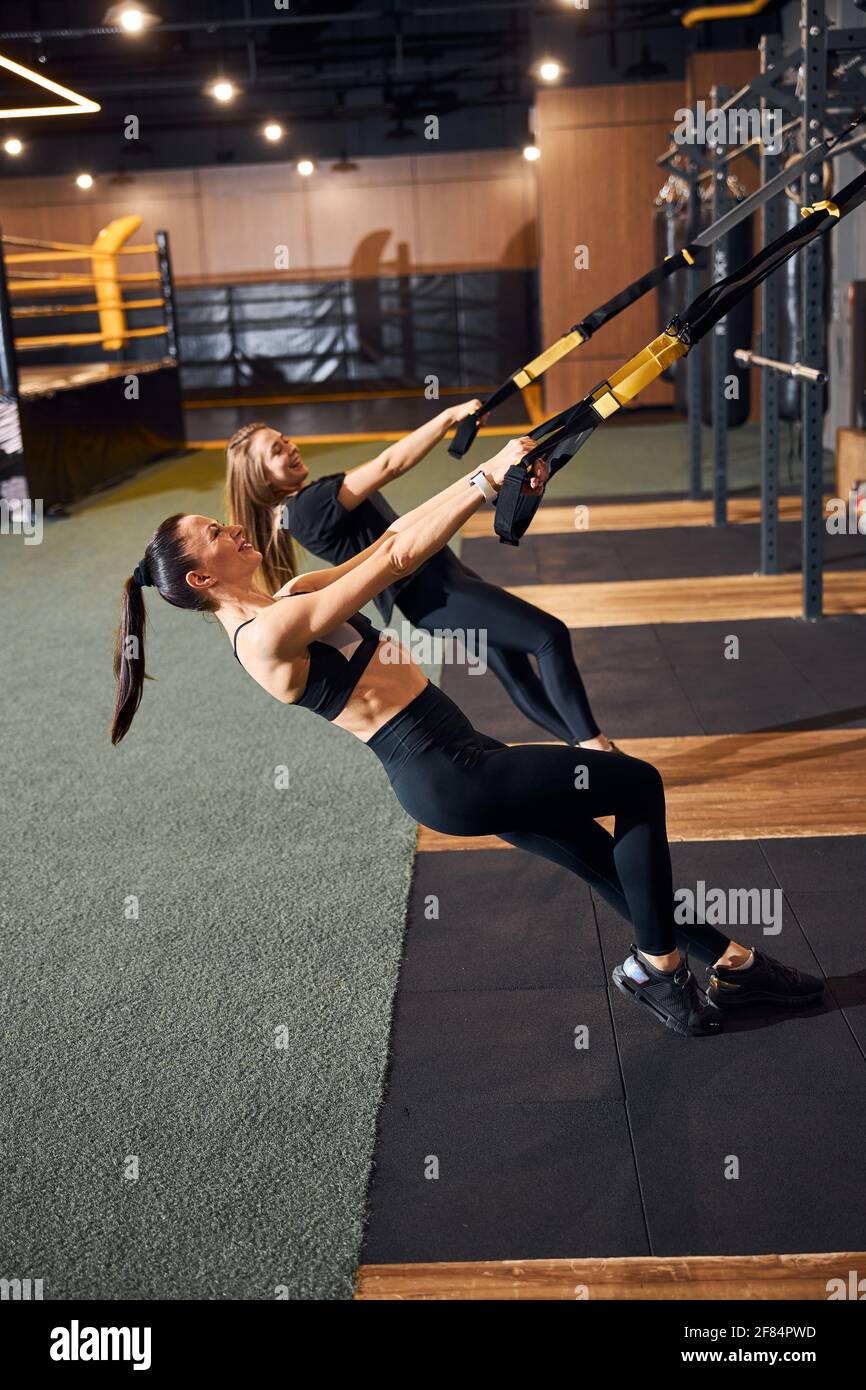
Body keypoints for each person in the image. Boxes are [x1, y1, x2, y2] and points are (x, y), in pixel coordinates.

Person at [112, 437, 823, 1037]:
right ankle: (660, 968)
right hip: (444, 773)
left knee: (601, 858)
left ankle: (734, 965)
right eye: (216, 533)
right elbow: (390, 566)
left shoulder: (290, 597)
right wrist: (482, 483)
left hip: (462, 755)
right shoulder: (265, 635)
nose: (236, 529)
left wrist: (488, 472)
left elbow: (393, 544)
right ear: (204, 576)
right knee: (638, 783)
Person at [224, 405, 616, 751]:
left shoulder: (306, 502)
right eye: (276, 451)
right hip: (434, 592)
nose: (290, 447)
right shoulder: (309, 506)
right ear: (264, 481)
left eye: (284, 439)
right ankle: (595, 748)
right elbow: (390, 464)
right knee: (549, 636)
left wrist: (481, 474)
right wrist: (448, 417)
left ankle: (586, 747)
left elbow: (401, 521)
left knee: (512, 665)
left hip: (441, 582)